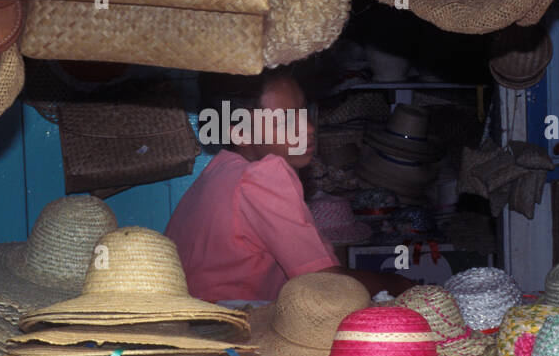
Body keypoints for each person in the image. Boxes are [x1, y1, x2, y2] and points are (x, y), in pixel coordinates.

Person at [166, 69, 414, 302]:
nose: (308, 129)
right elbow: (327, 285)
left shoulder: (220, 170)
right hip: (231, 335)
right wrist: (400, 284)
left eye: (304, 112)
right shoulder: (264, 177)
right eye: (285, 121)